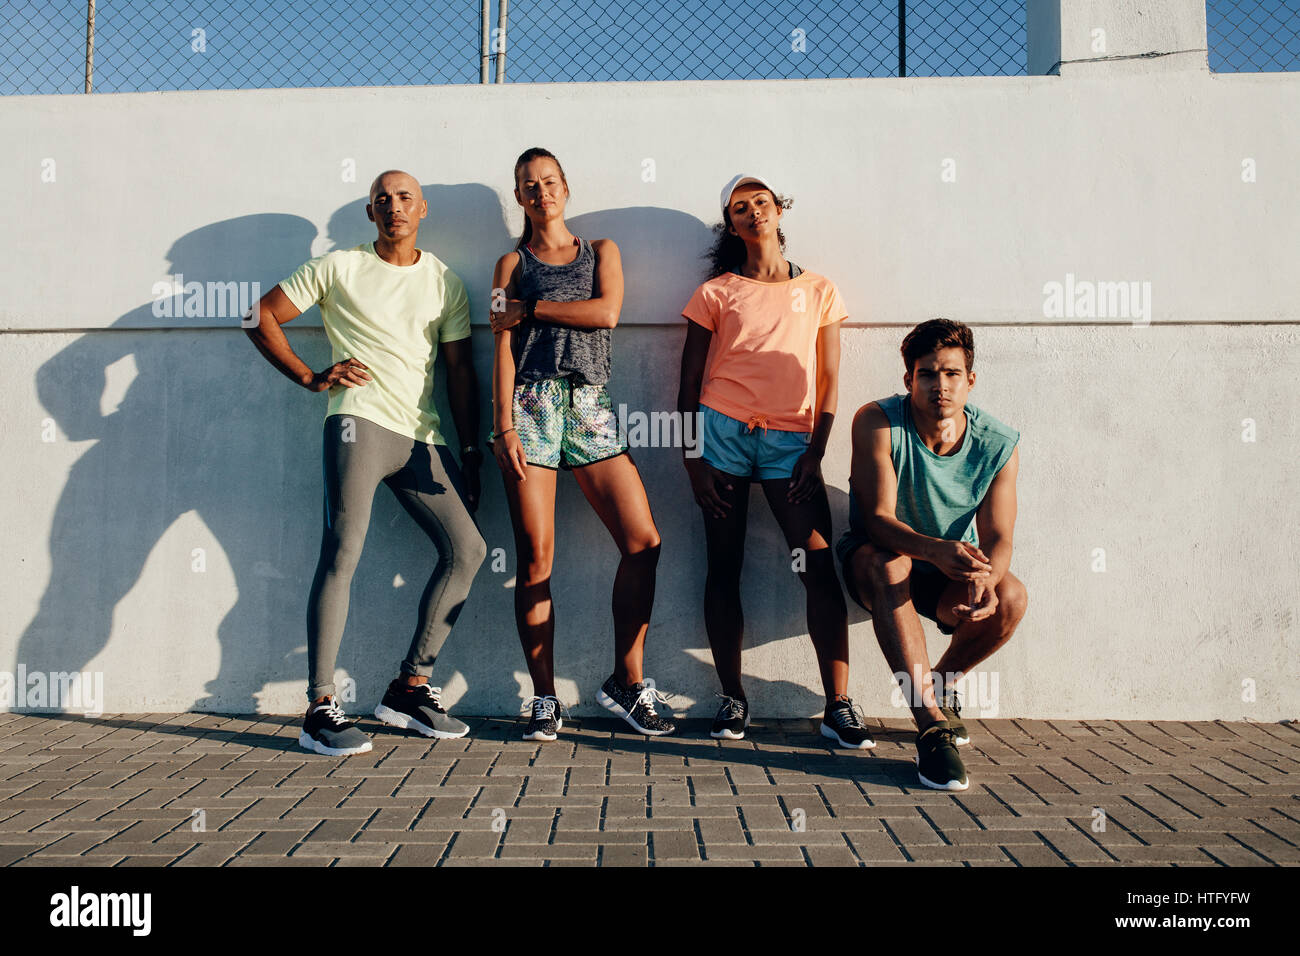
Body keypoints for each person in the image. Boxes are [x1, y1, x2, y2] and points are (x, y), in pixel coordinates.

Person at [244, 169, 487, 756]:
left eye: (404, 197)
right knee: (344, 548)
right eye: (382, 198)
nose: (393, 206)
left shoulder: (444, 282)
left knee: (469, 550)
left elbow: (457, 373)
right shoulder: (338, 266)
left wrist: (471, 449)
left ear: (422, 209)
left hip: (421, 435)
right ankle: (320, 706)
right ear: (370, 211)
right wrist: (309, 376)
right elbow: (260, 316)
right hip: (357, 421)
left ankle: (410, 688)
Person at [677, 174, 872, 748]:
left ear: (780, 210)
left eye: (761, 202)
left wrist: (817, 451)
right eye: (741, 208)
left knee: (816, 565)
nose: (753, 213)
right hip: (721, 435)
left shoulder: (819, 290)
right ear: (731, 223)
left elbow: (830, 379)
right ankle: (732, 699)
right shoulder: (716, 291)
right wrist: (693, 460)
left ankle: (839, 704)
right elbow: (688, 382)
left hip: (793, 442)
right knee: (723, 565)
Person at [488, 147, 674, 741]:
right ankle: (543, 698)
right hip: (532, 406)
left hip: (588, 405)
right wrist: (503, 425)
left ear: (566, 187)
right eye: (527, 184)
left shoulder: (602, 251)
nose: (539, 191)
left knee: (643, 542)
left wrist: (532, 309)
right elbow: (499, 343)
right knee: (536, 559)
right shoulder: (507, 265)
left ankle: (625, 681)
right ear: (519, 197)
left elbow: (608, 313)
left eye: (548, 180)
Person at [838, 318, 1027, 790]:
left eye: (951, 374)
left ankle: (938, 688)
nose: (939, 386)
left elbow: (1000, 536)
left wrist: (986, 578)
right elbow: (878, 519)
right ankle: (931, 728)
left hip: (945, 568)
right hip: (877, 561)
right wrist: (935, 550)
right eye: (926, 374)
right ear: (909, 380)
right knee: (890, 561)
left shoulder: (998, 443)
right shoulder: (878, 421)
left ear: (970, 380)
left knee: (1013, 597)